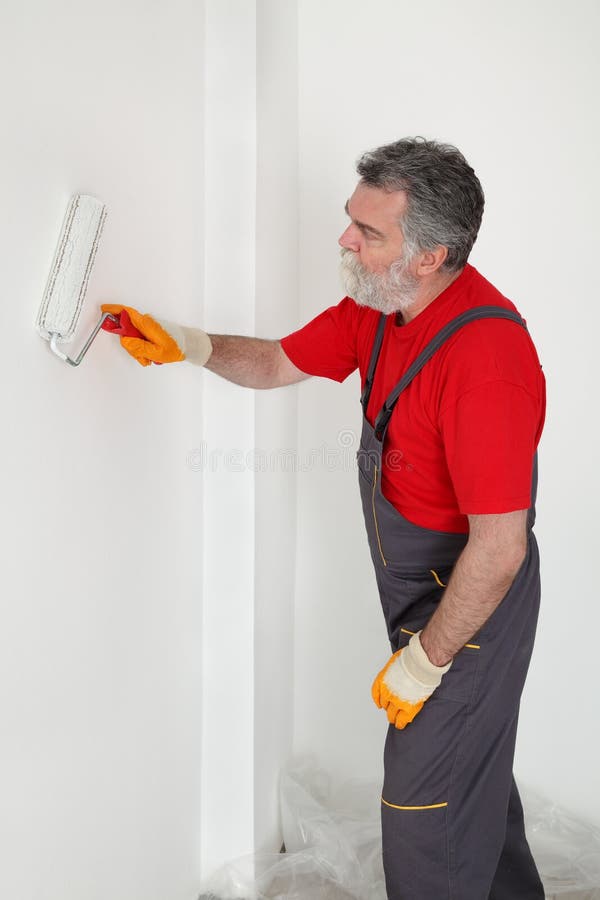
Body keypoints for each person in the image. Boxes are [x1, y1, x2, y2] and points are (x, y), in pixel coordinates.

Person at [102, 137, 546, 900]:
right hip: (424, 588)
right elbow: (278, 361)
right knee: (469, 781)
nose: (344, 238)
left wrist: (427, 660)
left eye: (367, 233)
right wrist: (192, 345)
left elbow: (499, 549)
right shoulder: (379, 308)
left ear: (431, 255)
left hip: (475, 604)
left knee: (422, 809)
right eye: (352, 220)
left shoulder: (487, 363)